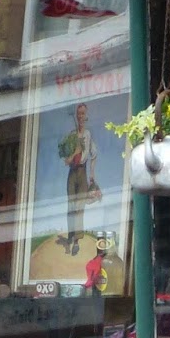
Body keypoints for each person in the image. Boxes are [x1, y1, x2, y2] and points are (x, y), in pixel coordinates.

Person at [57, 102, 98, 243]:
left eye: (83, 114)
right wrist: (71, 155)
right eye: (79, 113)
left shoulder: (88, 134)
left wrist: (92, 174)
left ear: (86, 116)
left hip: (82, 172)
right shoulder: (72, 135)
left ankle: (77, 239)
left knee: (80, 206)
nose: (80, 116)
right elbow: (66, 157)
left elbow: (93, 154)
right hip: (72, 172)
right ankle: (70, 235)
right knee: (71, 205)